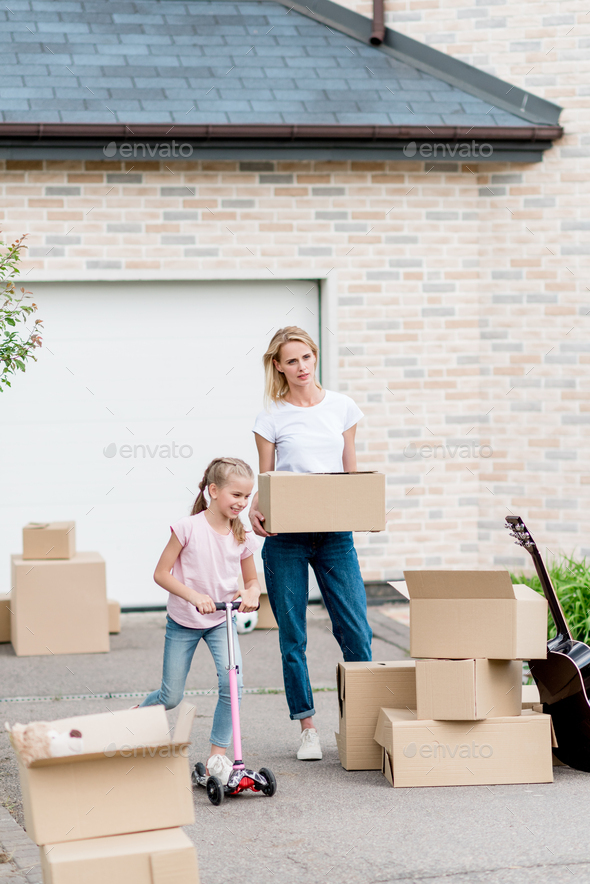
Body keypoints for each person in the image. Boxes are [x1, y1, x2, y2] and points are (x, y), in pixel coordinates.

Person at [249, 326, 372, 761]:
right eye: (292, 360)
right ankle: (307, 728)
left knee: (356, 632)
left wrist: (367, 510)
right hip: (286, 539)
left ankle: (360, 721)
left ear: (314, 357)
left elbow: (351, 474)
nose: (301, 367)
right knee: (293, 636)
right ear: (278, 365)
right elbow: (266, 481)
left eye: (306, 357)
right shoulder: (271, 418)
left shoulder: (343, 408)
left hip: (336, 536)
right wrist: (254, 510)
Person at [141, 457, 260, 785]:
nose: (242, 503)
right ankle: (138, 717)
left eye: (247, 497)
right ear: (213, 491)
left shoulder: (242, 535)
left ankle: (216, 758)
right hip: (183, 621)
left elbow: (252, 582)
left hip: (220, 620)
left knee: (232, 685)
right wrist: (193, 596)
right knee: (171, 696)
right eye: (236, 495)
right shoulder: (188, 528)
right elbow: (160, 574)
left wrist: (252, 594)